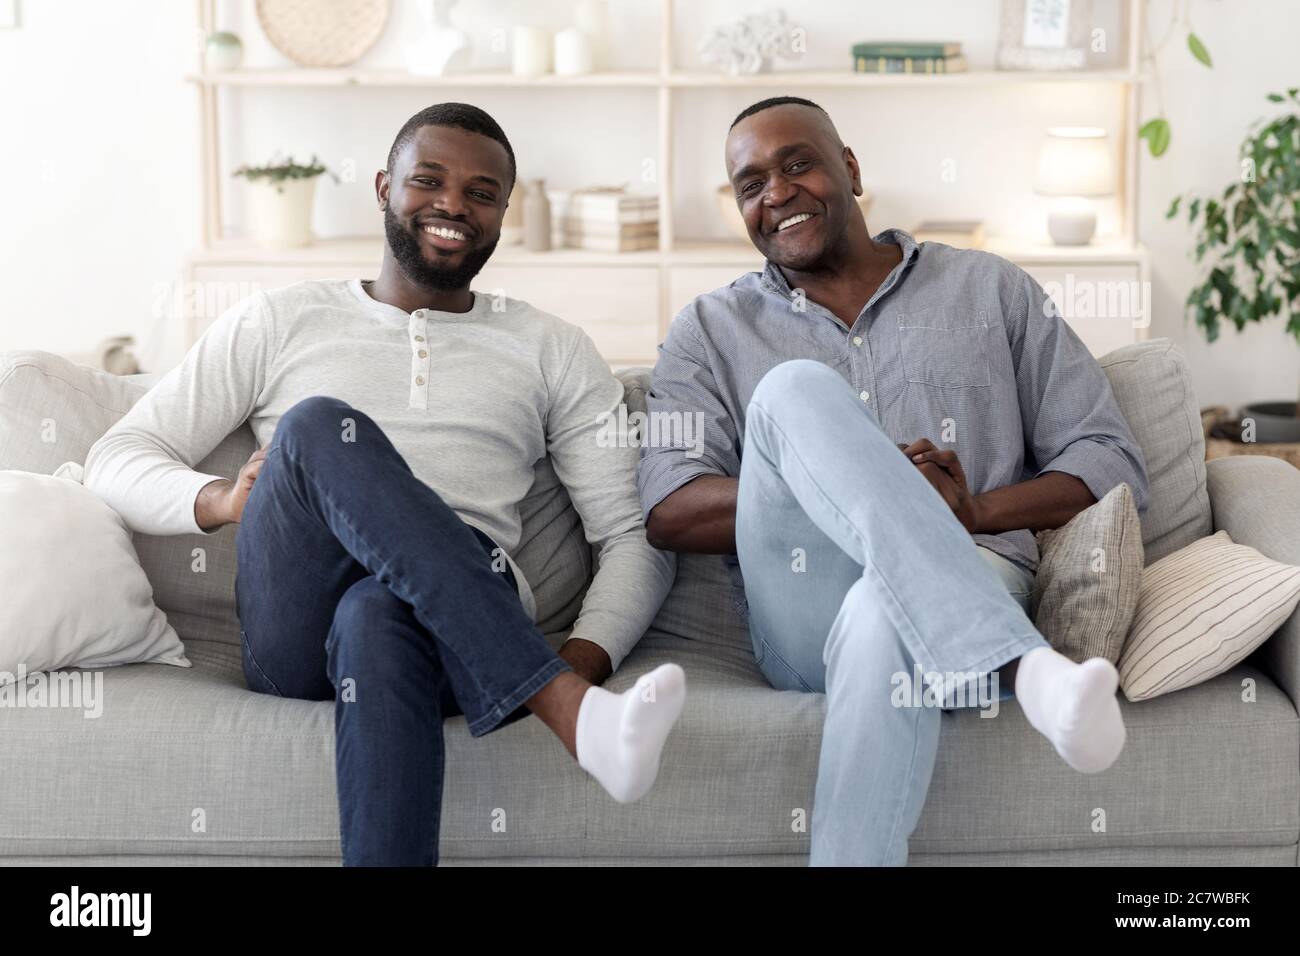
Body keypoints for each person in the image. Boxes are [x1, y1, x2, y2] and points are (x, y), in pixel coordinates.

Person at [85, 102, 686, 866]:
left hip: (458, 641)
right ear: (382, 187)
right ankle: (567, 714)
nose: (453, 207)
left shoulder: (551, 347)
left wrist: (585, 659)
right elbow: (118, 454)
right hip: (295, 633)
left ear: (503, 211)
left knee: (379, 609)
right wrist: (220, 502)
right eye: (428, 181)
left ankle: (556, 691)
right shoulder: (279, 319)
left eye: (482, 193)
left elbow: (631, 535)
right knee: (316, 427)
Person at [637, 96, 1148, 866]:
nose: (775, 193)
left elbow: (1109, 458)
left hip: (978, 575)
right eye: (750, 184)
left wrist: (972, 510)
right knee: (791, 391)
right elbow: (670, 508)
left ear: (849, 168)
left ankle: (1005, 659)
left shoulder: (991, 290)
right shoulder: (710, 329)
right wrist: (853, 488)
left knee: (886, 606)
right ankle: (1025, 668)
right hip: (805, 609)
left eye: (798, 163)